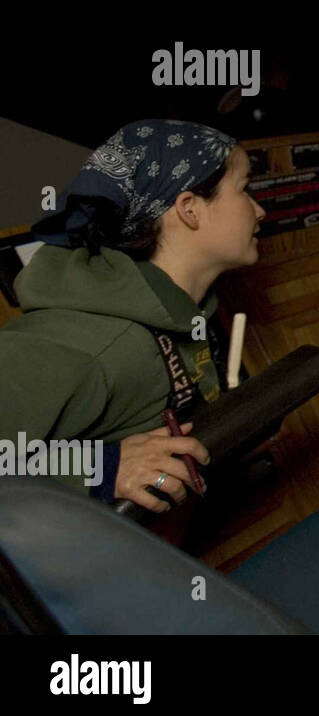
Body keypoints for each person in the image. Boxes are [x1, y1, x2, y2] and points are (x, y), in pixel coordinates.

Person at [0, 120, 266, 512]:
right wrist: (99, 468)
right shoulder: (91, 342)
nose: (259, 211)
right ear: (190, 209)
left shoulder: (182, 311)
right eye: (244, 189)